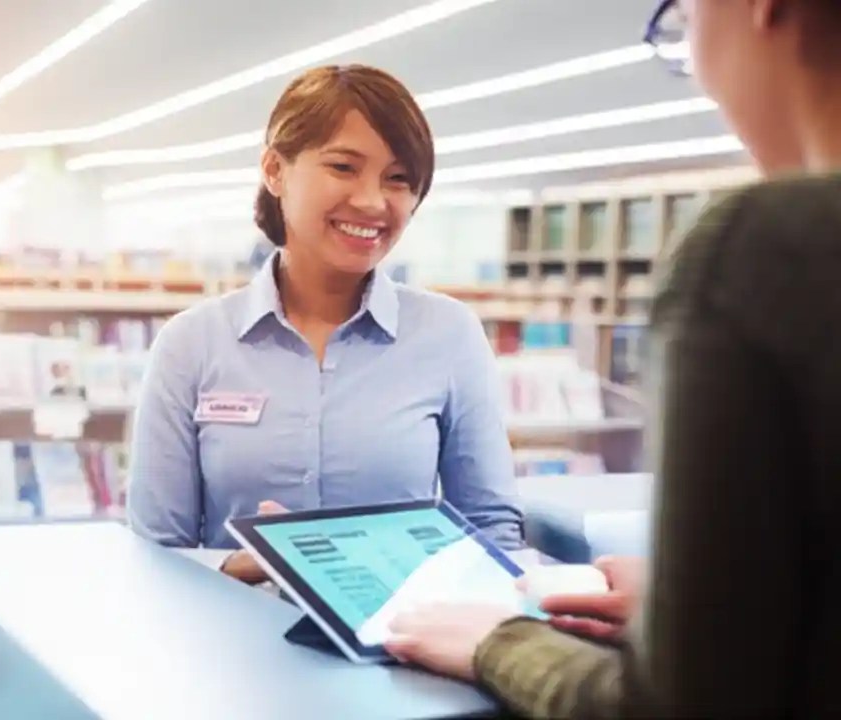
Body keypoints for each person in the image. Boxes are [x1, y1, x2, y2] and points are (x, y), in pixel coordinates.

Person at [383, 0, 841, 716]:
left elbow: (673, 708)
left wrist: (499, 642)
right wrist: (696, 604)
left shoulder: (761, 254)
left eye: (684, 14)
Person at [126, 64, 524, 583]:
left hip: (401, 645)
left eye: (398, 179)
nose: (372, 201)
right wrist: (240, 566)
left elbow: (492, 529)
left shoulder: (448, 334)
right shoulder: (192, 344)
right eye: (343, 167)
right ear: (275, 170)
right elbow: (153, 548)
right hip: (228, 646)